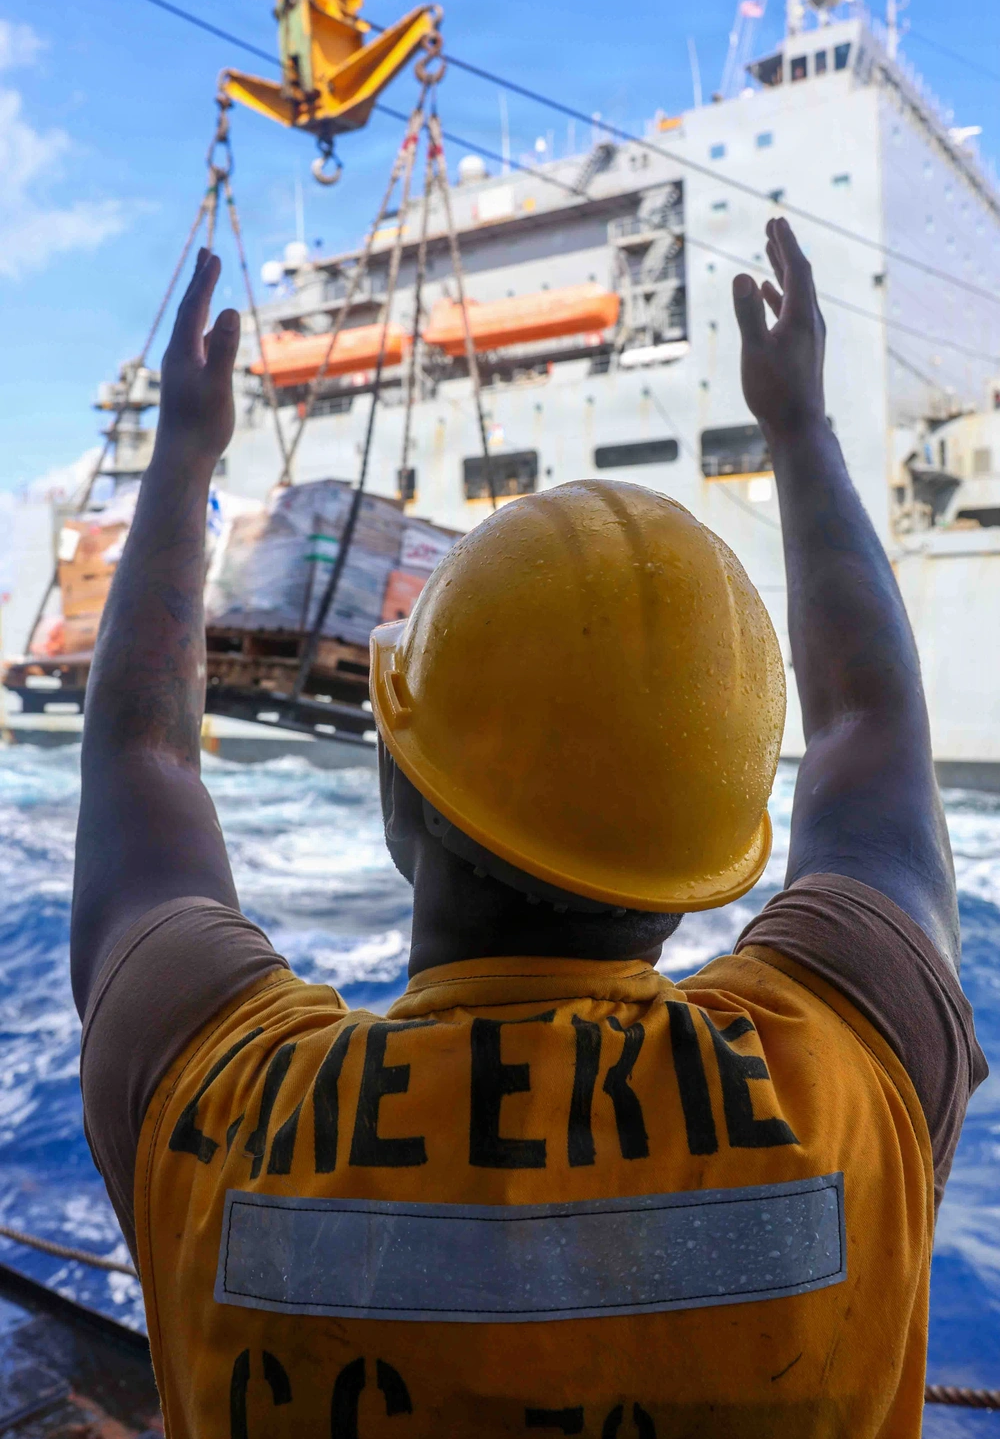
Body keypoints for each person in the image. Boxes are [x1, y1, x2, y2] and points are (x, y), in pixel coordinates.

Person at [74, 219, 984, 1438]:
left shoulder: (225, 1108)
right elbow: (874, 728)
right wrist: (802, 425)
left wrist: (184, 454)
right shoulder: (844, 1078)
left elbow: (140, 758)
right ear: (698, 864)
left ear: (401, 798)